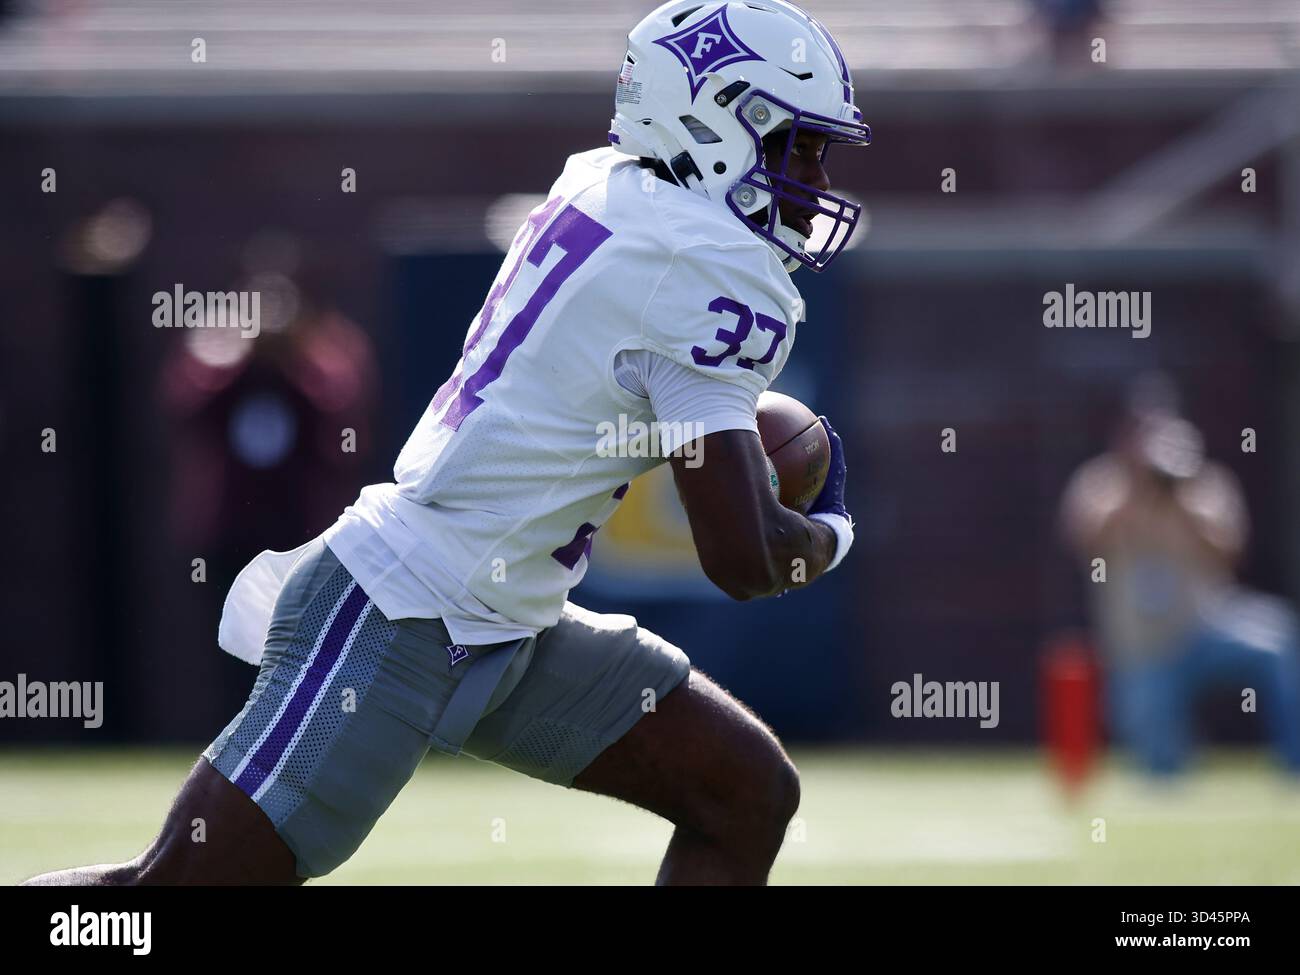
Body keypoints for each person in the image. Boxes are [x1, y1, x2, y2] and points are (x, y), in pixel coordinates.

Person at [24, 0, 869, 886]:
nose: (812, 182)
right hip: (404, 606)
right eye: (798, 145)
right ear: (714, 124)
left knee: (744, 790)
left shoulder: (607, 185)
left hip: (513, 614)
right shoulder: (704, 267)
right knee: (166, 897)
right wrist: (831, 527)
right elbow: (743, 558)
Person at [1060, 375, 1300, 775]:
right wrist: (1136, 486)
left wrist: (1179, 496)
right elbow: (1084, 539)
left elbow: (1229, 554)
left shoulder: (1205, 483)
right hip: (1143, 650)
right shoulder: (1100, 483)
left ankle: (1295, 761)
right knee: (1161, 771)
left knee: (1277, 639)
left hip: (1207, 629)